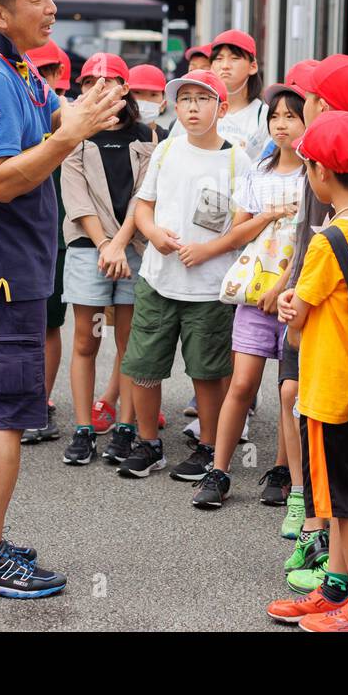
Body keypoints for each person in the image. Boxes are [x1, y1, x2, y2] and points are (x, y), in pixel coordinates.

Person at [0, 0, 123, 599]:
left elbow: (46, 120)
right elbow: (3, 180)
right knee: (9, 415)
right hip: (2, 275)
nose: (52, 7)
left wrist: (76, 115)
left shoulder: (7, 62)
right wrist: (72, 135)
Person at [265, 110, 348, 632]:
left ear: (319, 172)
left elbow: (297, 326)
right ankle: (336, 588)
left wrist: (290, 313)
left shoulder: (327, 241)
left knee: (346, 506)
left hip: (329, 389)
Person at [118, 70, 253, 481]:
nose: (193, 107)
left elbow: (244, 225)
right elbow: (143, 206)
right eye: (185, 99)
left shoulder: (237, 158)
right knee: (143, 363)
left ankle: (209, 447)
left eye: (203, 99)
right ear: (175, 107)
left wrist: (209, 249)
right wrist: (154, 233)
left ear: (222, 108)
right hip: (159, 279)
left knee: (207, 371)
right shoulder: (166, 151)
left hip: (210, 287)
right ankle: (148, 443)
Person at [191, 82, 306, 513]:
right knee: (241, 383)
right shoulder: (259, 172)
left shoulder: (314, 174)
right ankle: (218, 470)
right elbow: (236, 232)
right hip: (254, 293)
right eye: (275, 116)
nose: (281, 125)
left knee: (288, 390)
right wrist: (269, 215)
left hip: (295, 294)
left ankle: (280, 470)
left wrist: (284, 286)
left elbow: (315, 239)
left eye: (291, 116)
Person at [58, 53, 156, 466]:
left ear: (124, 87)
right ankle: (83, 426)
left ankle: (127, 426)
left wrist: (120, 243)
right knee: (85, 337)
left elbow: (145, 195)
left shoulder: (145, 134)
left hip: (133, 248)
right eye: (88, 81)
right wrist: (104, 245)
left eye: (108, 79)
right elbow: (76, 197)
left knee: (128, 340)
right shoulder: (73, 133)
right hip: (88, 245)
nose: (98, 87)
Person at [20, 39, 75, 444]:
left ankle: (41, 401)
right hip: (11, 236)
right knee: (15, 322)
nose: (39, 75)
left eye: (47, 69)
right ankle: (15, 399)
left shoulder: (70, 117)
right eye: (32, 68)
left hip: (56, 236)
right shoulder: (10, 110)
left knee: (49, 322)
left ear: (57, 75)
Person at [209, 29, 269, 158]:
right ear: (211, 67)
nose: (225, 66)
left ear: (253, 67)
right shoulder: (202, 110)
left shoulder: (265, 116)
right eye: (218, 59)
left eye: (234, 58)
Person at [127, 64, 169, 139]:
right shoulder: (111, 137)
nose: (145, 100)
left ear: (163, 105)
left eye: (153, 95)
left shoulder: (169, 140)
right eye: (137, 92)